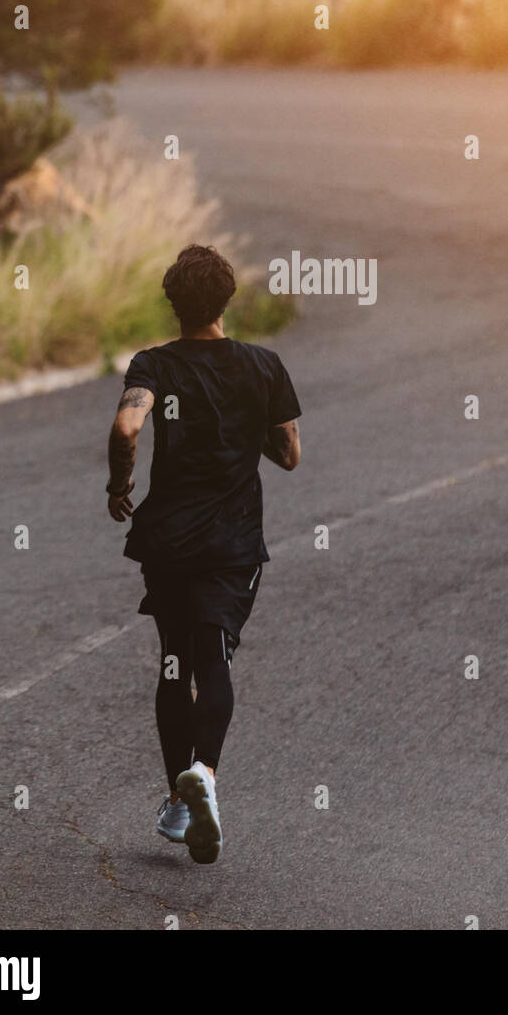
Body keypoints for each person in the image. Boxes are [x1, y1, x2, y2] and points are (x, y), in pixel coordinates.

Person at [105, 243, 301, 864]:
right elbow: (290, 453)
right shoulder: (262, 365)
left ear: (173, 303)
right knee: (213, 654)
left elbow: (126, 428)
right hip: (233, 541)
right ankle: (206, 775)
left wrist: (119, 486)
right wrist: (246, 428)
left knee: (173, 661)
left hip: (167, 539)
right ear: (228, 298)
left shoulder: (153, 366)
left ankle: (179, 801)